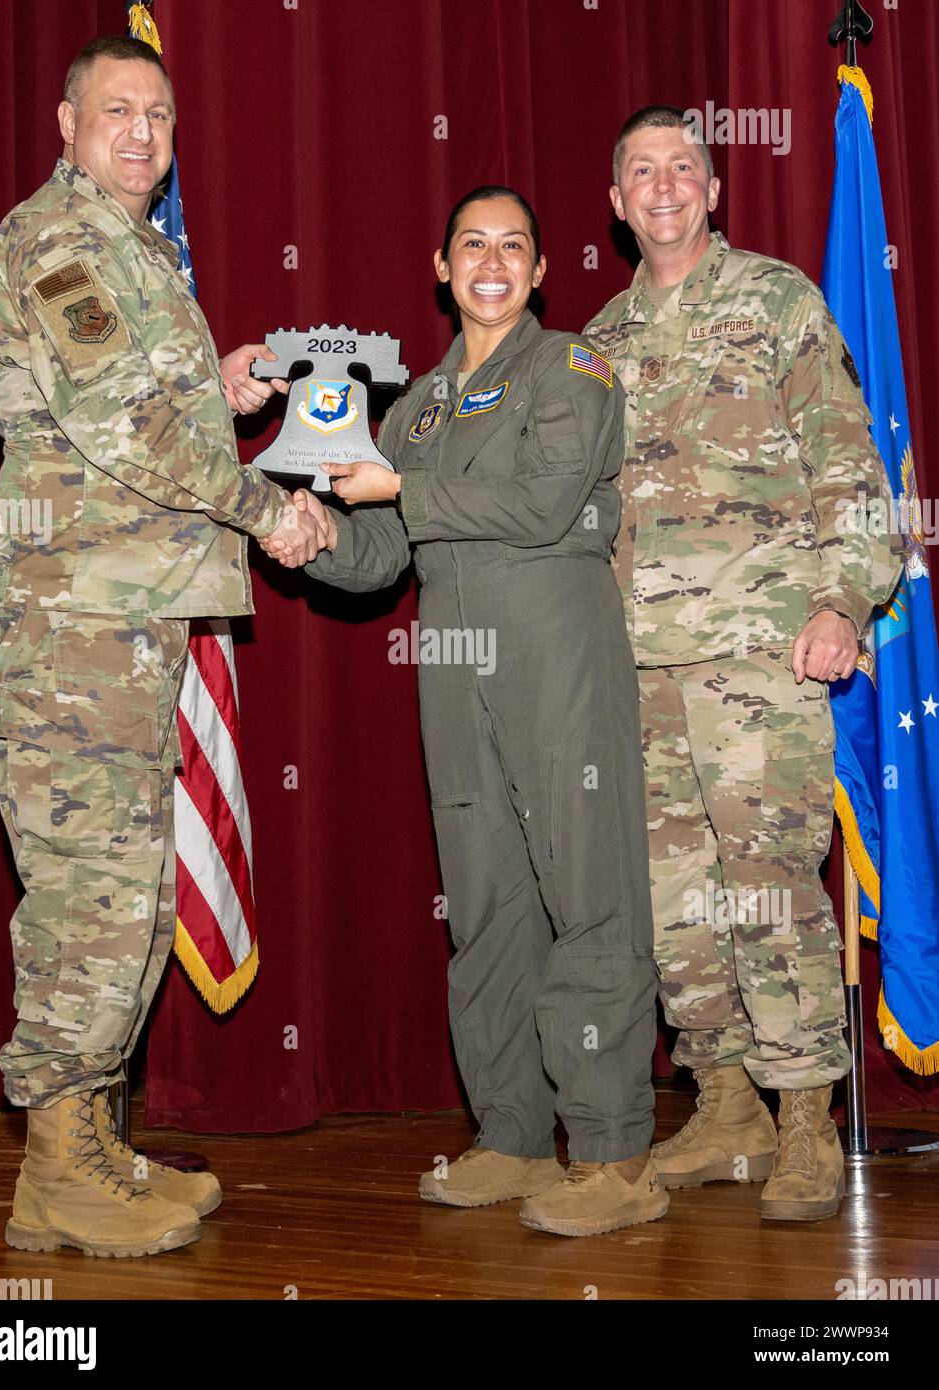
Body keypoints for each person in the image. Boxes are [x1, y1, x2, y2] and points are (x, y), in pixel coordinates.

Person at [0, 34, 326, 1258]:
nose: (141, 133)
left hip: (126, 616)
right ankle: (54, 1170)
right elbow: (123, 424)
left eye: (160, 116)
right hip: (71, 618)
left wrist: (214, 384)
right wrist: (269, 505)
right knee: (86, 901)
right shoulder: (55, 240)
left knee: (121, 899)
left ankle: (86, 1148)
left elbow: (142, 403)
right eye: (116, 110)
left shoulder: (139, 258)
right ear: (65, 123)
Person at [269, 186, 665, 1238]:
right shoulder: (413, 408)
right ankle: (512, 1135)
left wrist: (396, 488)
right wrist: (313, 536)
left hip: (557, 646)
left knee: (589, 890)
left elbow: (541, 503)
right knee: (485, 898)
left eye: (514, 247)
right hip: (450, 657)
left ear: (540, 273)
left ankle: (616, 1149)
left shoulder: (573, 368)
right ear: (439, 268)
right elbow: (385, 558)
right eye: (470, 246)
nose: (491, 262)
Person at [582, 106, 902, 1221]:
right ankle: (725, 1107)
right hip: (635, 669)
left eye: (682, 168)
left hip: (763, 656)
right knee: (672, 901)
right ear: (615, 203)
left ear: (711, 190)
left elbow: (850, 465)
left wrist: (838, 598)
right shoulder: (599, 343)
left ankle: (806, 1119)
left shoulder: (777, 302)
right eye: (640, 173)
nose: (662, 187)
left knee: (767, 887)